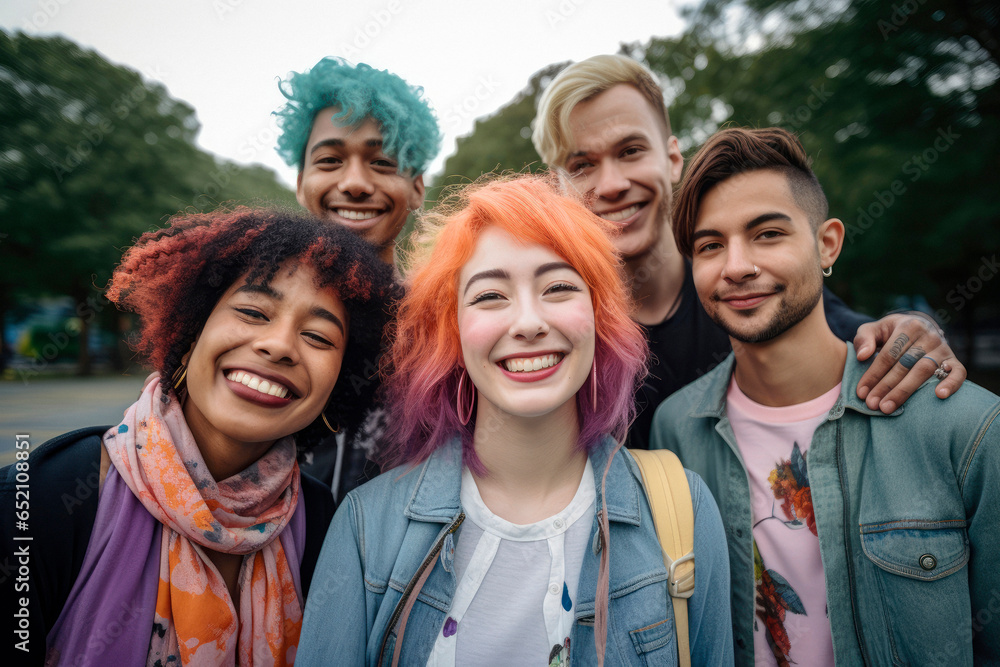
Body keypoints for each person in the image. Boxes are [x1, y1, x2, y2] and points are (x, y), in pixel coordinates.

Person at [296, 176, 733, 666]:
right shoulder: (363, 526)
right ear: (452, 331)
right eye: (490, 296)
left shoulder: (684, 510)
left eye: (559, 287)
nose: (528, 322)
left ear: (598, 316)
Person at [650, 127, 1000, 666]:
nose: (737, 266)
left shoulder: (965, 428)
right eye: (710, 245)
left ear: (827, 243)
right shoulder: (674, 431)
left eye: (767, 234)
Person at [0, 207, 398, 666]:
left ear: (338, 382)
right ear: (191, 334)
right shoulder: (41, 500)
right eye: (252, 311)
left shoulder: (323, 523)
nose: (280, 345)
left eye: (319, 336)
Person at [531, 54, 968, 449]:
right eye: (582, 165)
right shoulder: (551, 323)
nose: (611, 185)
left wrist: (910, 333)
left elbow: (847, 333)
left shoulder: (743, 288)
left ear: (672, 159)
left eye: (631, 151)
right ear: (560, 187)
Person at [273, 56, 442, 501]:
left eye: (382, 162)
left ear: (418, 188)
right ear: (301, 181)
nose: (354, 183)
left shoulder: (451, 331)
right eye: (330, 160)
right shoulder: (242, 319)